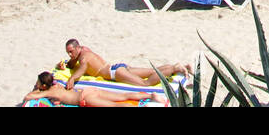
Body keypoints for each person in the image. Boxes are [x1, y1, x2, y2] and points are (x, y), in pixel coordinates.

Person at [59, 39, 190, 88]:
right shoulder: (84, 50)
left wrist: (71, 79)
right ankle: (176, 66)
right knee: (151, 71)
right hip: (118, 67)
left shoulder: (84, 59)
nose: (70, 55)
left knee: (146, 83)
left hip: (115, 73)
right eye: (68, 53)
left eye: (71, 51)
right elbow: (72, 63)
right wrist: (67, 63)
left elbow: (80, 71)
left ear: (77, 48)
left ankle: (175, 68)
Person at [24, 71, 152, 107]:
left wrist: (37, 90)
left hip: (85, 98)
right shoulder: (57, 85)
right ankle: (152, 96)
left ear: (44, 86)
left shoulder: (49, 91)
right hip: (89, 90)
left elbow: (28, 97)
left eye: (38, 83)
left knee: (115, 106)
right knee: (122, 96)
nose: (36, 85)